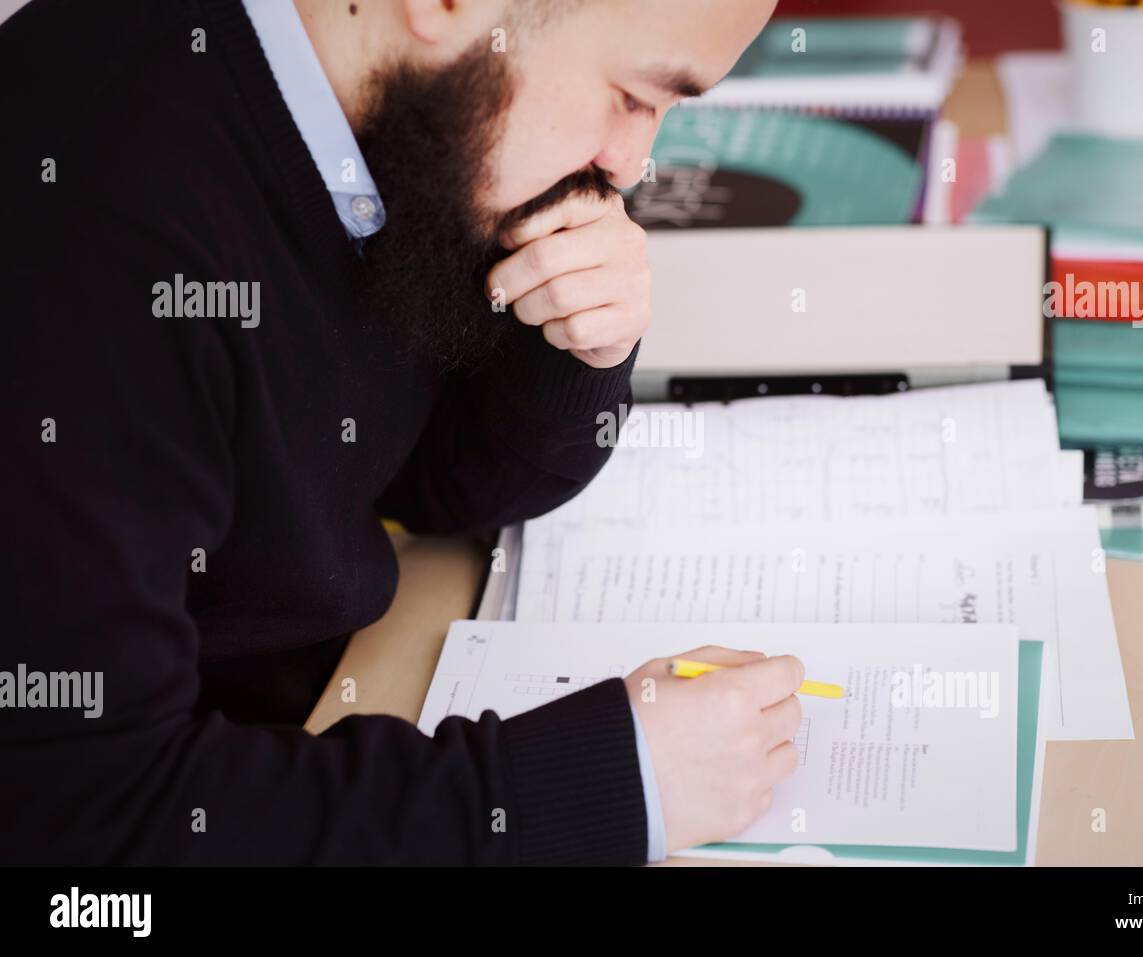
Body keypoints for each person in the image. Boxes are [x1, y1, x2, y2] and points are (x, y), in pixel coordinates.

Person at [0, 0, 804, 864]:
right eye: (636, 96)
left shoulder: (386, 128)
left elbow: (437, 486)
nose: (633, 165)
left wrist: (575, 348)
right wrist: (607, 781)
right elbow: (84, 813)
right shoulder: (103, 228)